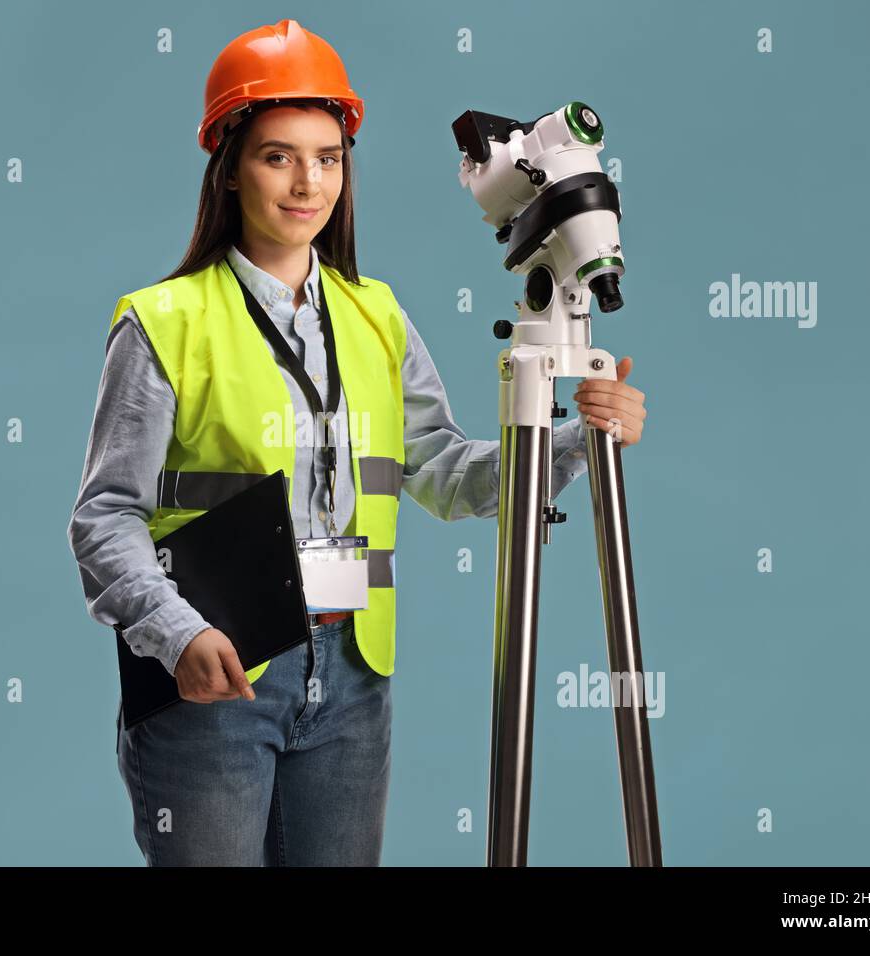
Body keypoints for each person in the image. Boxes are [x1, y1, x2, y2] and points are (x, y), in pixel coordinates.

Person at [68, 19, 649, 867]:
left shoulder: (376, 314)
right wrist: (175, 632)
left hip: (351, 678)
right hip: (220, 672)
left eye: (328, 156)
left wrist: (575, 439)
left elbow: (448, 475)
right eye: (278, 155)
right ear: (229, 167)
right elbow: (105, 517)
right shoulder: (165, 322)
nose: (308, 181)